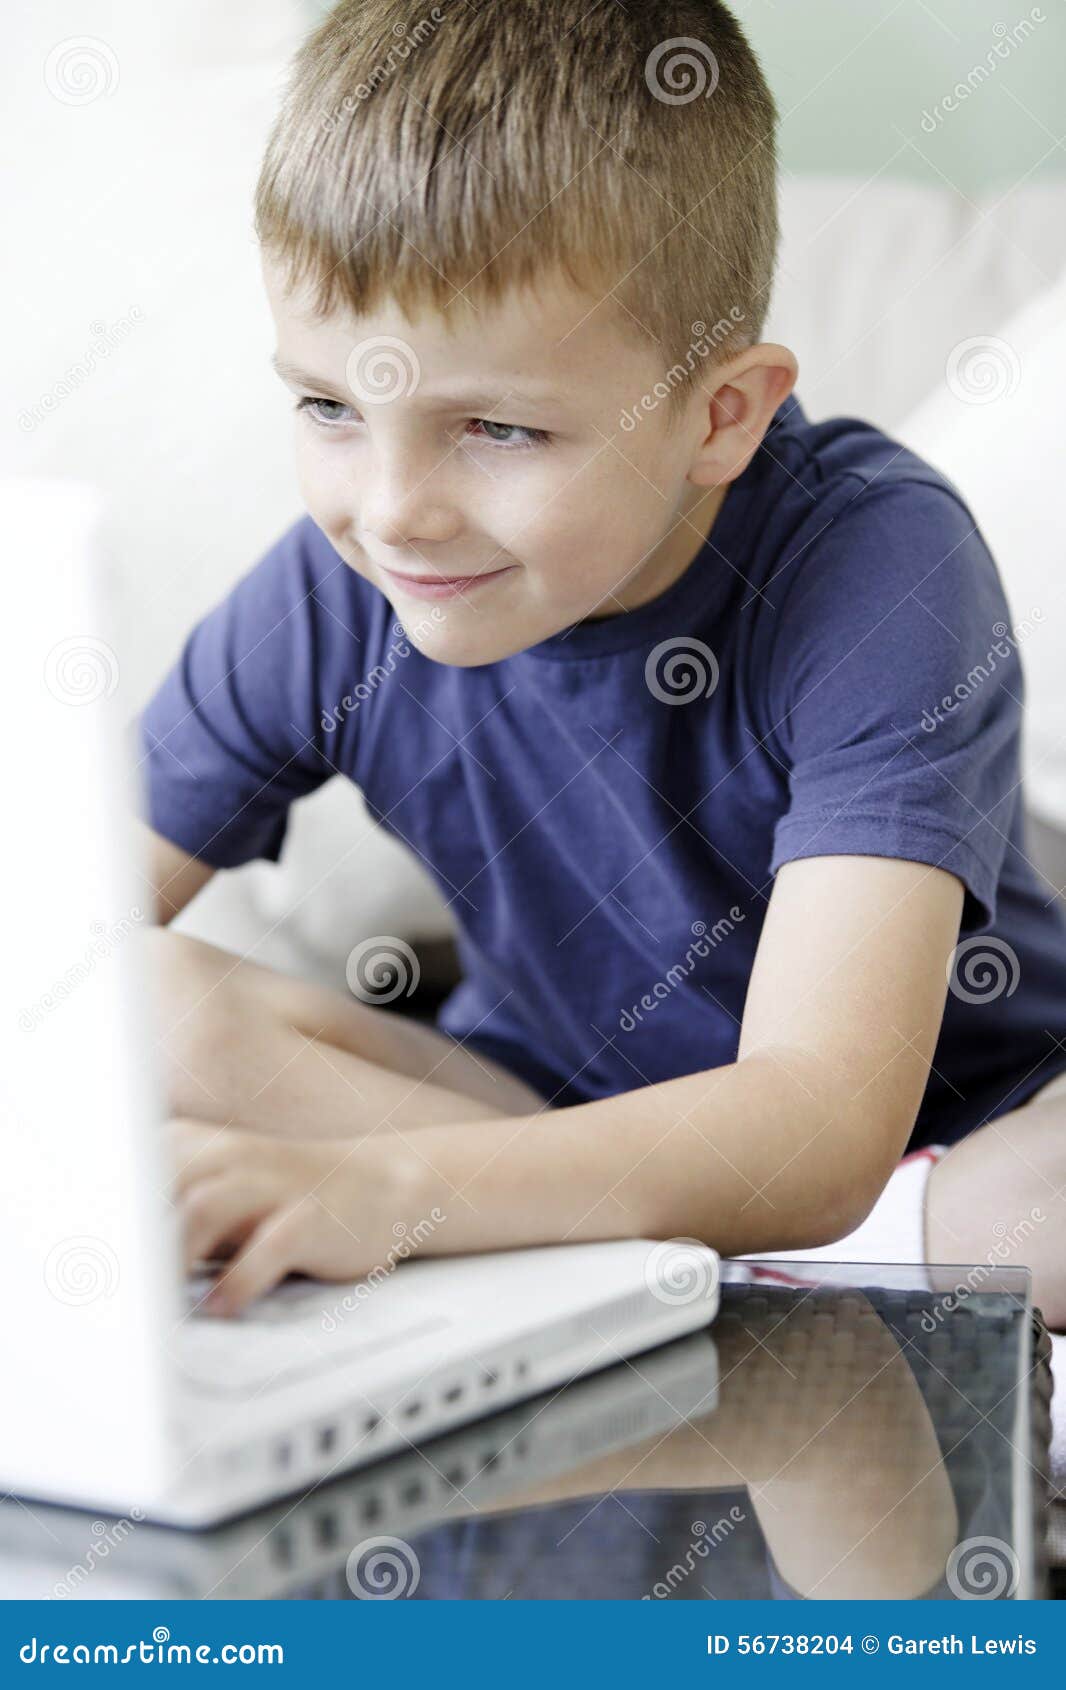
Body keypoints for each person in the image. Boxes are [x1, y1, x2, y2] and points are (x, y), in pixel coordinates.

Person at [137, 0, 1066, 1319]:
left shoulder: (875, 564)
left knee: (1040, 1208)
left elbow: (813, 1123)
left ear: (719, 412)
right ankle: (631, 1256)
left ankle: (700, 1268)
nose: (393, 510)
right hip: (547, 1122)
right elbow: (52, 963)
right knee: (138, 1006)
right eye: (331, 407)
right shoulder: (335, 590)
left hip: (929, 1154)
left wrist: (395, 1191)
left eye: (498, 427)